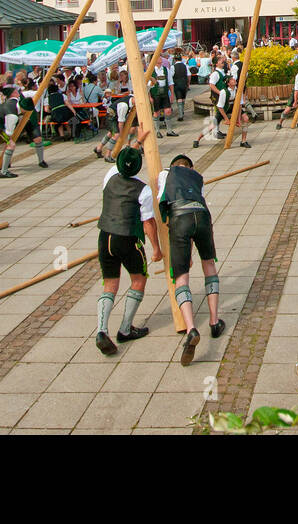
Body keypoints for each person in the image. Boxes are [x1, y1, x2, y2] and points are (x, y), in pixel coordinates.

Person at [158, 153, 226, 365]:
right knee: (209, 265)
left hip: (180, 217)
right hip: (202, 217)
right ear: (190, 167)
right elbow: (200, 200)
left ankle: (191, 329)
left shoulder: (165, 174)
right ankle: (214, 322)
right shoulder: (197, 177)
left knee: (181, 277)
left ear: (173, 167)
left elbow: (162, 202)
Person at [93, 147, 162, 355]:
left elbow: (119, 163)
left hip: (105, 237)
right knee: (138, 280)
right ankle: (125, 329)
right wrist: (156, 248)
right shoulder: (143, 189)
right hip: (128, 239)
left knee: (110, 284)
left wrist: (135, 143)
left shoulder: (110, 176)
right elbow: (148, 222)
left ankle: (102, 330)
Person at [171, 50, 190, 122]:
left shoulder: (173, 67)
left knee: (179, 98)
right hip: (184, 83)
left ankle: (180, 115)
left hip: (177, 83)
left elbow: (171, 76)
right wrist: (188, 84)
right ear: (181, 59)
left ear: (175, 59)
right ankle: (182, 112)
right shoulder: (185, 66)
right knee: (183, 98)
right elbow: (189, 75)